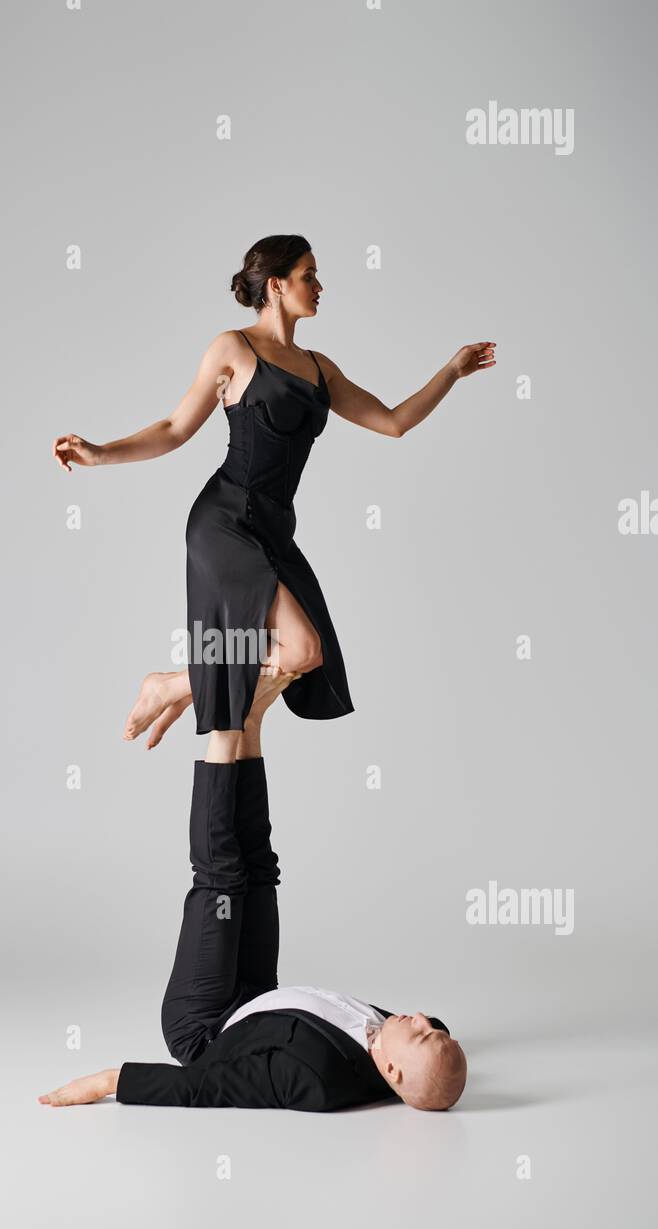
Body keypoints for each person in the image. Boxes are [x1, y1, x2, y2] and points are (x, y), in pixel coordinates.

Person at [52, 234, 496, 764]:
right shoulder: (233, 348)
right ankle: (173, 685)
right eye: (310, 275)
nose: (320, 286)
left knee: (278, 681)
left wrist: (451, 371)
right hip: (224, 522)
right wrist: (100, 453)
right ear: (278, 284)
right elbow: (173, 428)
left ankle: (181, 701)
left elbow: (394, 423)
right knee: (303, 649)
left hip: (274, 532)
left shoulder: (319, 368)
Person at [38, 672, 467, 1114]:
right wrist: (433, 1040)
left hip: (206, 1023)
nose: (420, 1018)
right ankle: (253, 718)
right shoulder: (400, 1048)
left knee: (221, 877)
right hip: (257, 996)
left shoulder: (313, 1082)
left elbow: (205, 1087)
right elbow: (435, 1051)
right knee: (260, 870)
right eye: (428, 1028)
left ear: (392, 1071)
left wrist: (110, 1081)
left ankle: (223, 721)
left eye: (419, 1032)